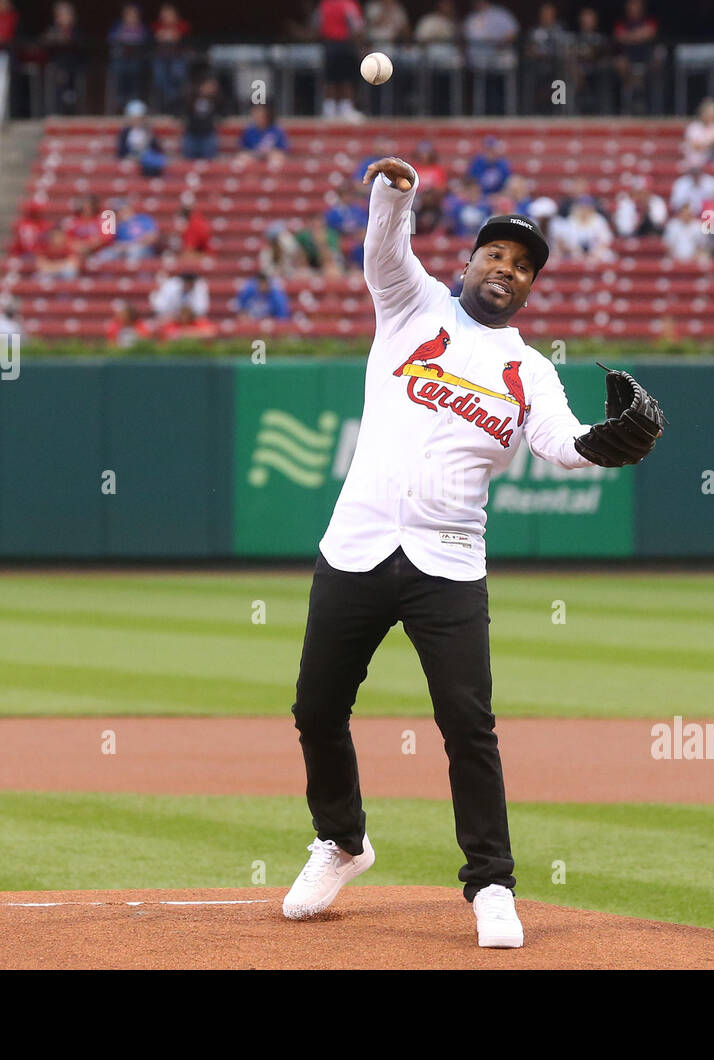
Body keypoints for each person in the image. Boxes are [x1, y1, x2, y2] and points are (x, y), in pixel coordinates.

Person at [279, 153, 665, 950]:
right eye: (495, 253)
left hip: (449, 562)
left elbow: (563, 445)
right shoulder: (410, 306)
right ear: (469, 261)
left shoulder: (529, 370)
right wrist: (396, 190)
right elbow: (385, 247)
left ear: (530, 287)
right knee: (316, 709)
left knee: (468, 724)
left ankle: (491, 885)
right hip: (355, 545)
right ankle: (343, 842)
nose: (506, 269)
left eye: (523, 265)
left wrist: (604, 442)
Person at [313, 0, 365, 121]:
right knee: (347, 78)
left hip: (329, 45)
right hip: (345, 45)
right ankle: (345, 108)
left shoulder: (324, 5)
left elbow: (316, 26)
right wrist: (360, 47)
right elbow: (357, 27)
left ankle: (329, 109)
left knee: (330, 78)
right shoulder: (348, 4)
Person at [612, 0, 660, 113]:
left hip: (646, 58)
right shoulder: (621, 23)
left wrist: (629, 37)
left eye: (636, 5)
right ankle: (634, 95)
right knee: (620, 62)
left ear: (641, 7)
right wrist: (640, 35)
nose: (633, 8)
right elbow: (619, 36)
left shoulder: (649, 21)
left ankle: (645, 99)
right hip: (628, 60)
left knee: (658, 59)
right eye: (631, 5)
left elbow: (651, 32)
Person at [42, 1, 85, 115]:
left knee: (67, 74)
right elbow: (45, 44)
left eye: (68, 14)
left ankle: (71, 101)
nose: (65, 18)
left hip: (74, 66)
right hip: (56, 66)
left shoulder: (76, 31)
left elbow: (80, 49)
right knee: (58, 73)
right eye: (62, 15)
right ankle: (56, 110)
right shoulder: (52, 30)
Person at [108, 3, 151, 111]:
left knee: (135, 68)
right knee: (118, 68)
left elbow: (148, 44)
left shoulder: (143, 28)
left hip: (137, 60)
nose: (131, 17)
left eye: (133, 14)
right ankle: (120, 102)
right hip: (121, 59)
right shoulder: (118, 27)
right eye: (128, 14)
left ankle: (134, 102)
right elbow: (110, 40)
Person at [151, 4, 191, 113]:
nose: (166, 16)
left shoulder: (182, 25)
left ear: (175, 15)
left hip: (178, 58)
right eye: (164, 14)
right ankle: (167, 106)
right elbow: (155, 37)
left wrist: (169, 36)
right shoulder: (156, 26)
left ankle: (174, 105)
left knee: (176, 75)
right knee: (161, 78)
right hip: (162, 59)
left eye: (169, 14)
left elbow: (180, 37)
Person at [553, 195, 614, 261]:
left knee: (608, 256)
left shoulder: (598, 220)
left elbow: (606, 240)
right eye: (582, 207)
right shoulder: (570, 220)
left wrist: (593, 253)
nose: (585, 210)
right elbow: (562, 241)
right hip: (574, 253)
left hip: (595, 253)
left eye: (587, 207)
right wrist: (573, 250)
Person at [183, 77, 227, 160]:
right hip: (192, 134)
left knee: (209, 161)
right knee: (189, 161)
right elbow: (183, 110)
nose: (209, 88)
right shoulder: (192, 97)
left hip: (208, 135)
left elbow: (224, 112)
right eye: (207, 86)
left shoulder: (216, 100)